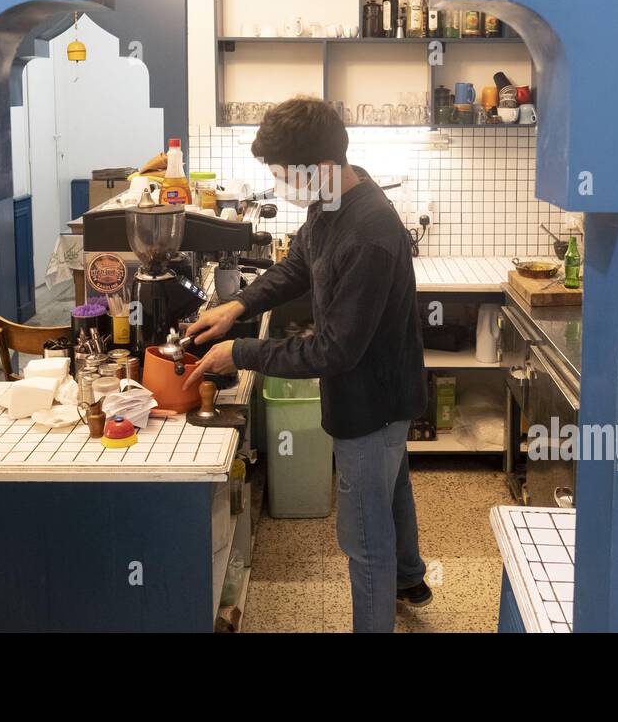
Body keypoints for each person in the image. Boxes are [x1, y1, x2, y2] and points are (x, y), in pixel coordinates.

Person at [182, 96, 431, 632]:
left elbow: (333, 351)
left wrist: (240, 352)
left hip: (371, 402)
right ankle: (410, 578)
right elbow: (298, 264)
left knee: (364, 538)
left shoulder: (369, 234)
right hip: (385, 390)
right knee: (390, 487)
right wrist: (238, 306)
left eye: (282, 175)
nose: (279, 187)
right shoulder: (334, 198)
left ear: (317, 168)